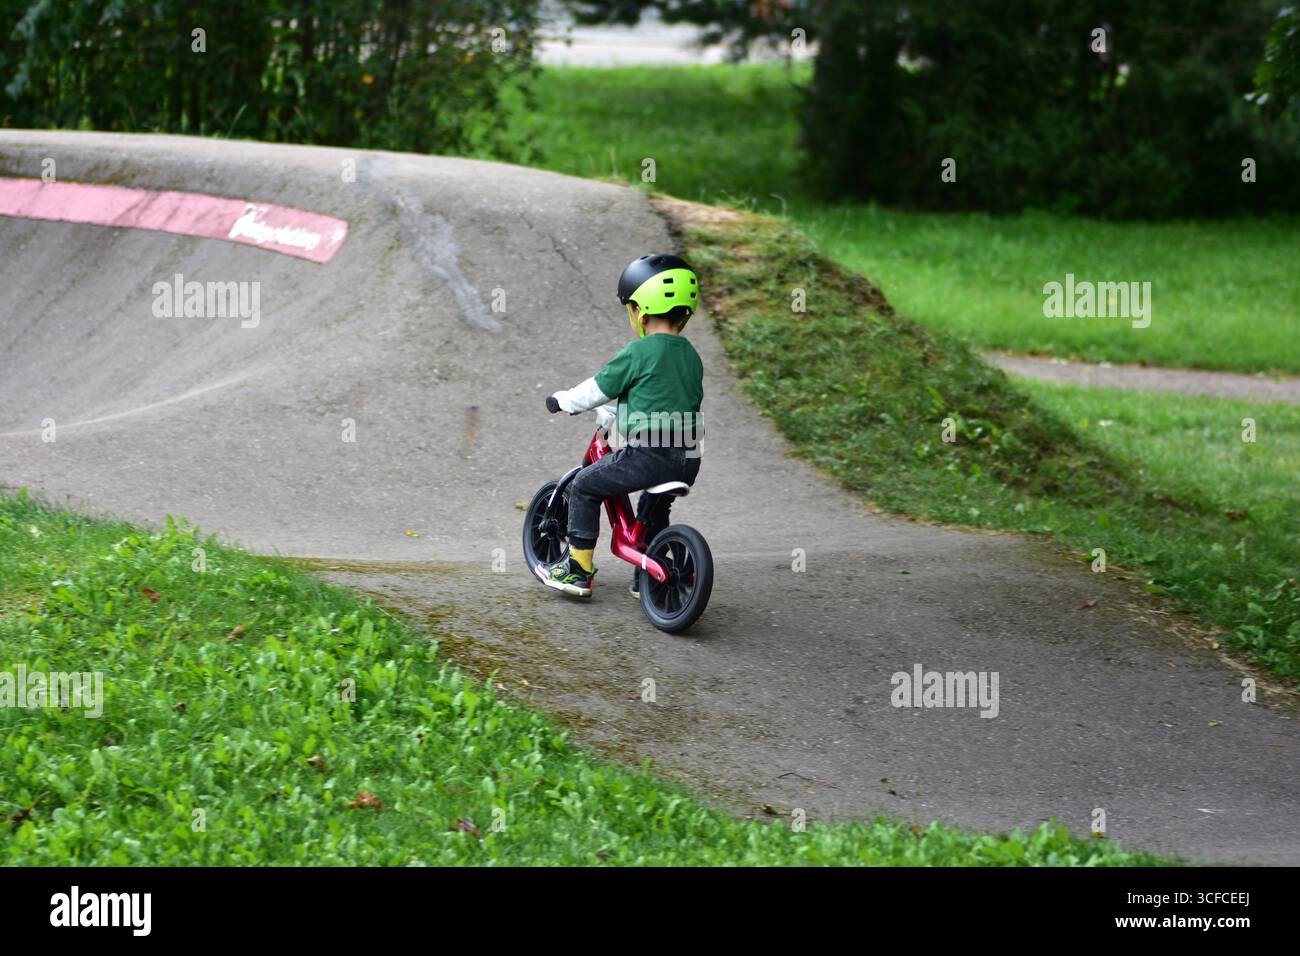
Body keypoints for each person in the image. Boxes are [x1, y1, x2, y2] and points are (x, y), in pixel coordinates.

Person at [542, 254, 704, 598]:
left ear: (640, 311)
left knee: (586, 484)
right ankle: (648, 573)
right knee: (654, 506)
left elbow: (597, 389)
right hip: (688, 457)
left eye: (630, 308)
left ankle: (577, 571)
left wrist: (564, 401)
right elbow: (667, 402)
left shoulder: (640, 352)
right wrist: (625, 416)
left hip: (649, 455)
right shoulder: (690, 356)